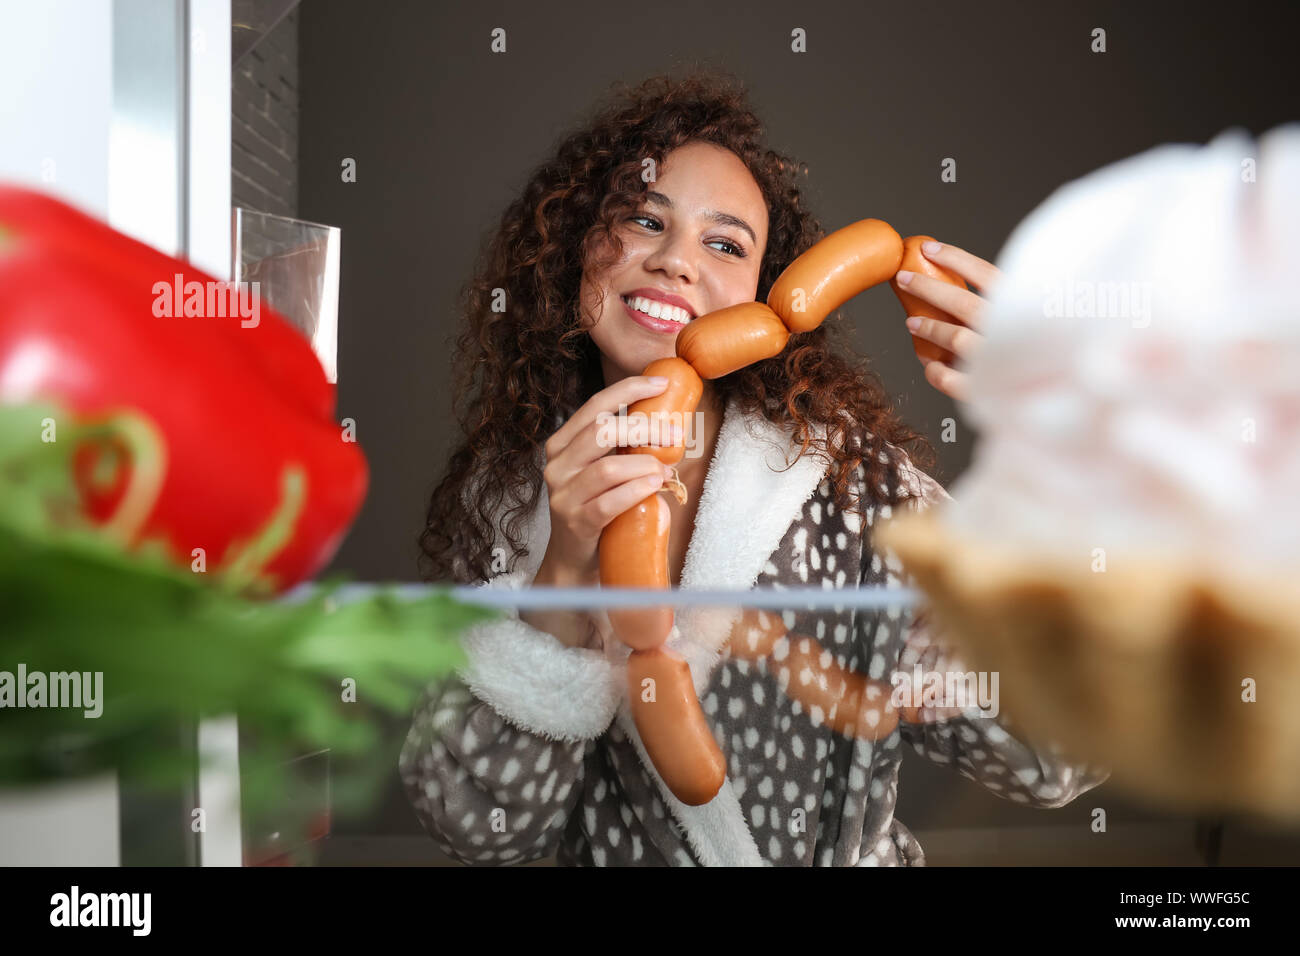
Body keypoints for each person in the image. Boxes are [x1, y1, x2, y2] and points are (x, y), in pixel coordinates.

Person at [399, 70, 1107, 866]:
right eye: (643, 218)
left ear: (765, 300)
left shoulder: (856, 491)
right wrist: (563, 566)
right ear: (574, 250)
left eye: (725, 243)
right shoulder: (500, 505)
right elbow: (475, 828)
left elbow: (1058, 752)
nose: (675, 261)